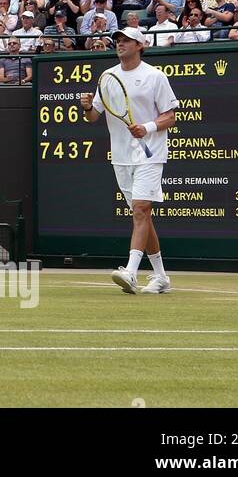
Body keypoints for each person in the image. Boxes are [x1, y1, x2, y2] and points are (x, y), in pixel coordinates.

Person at [79, 27, 179, 295]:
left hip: (150, 152)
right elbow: (94, 117)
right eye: (118, 40)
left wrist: (146, 127)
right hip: (121, 157)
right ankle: (161, 277)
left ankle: (131, 272)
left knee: (140, 210)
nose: (120, 44)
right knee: (143, 216)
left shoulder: (155, 76)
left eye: (127, 40)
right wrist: (87, 106)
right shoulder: (107, 76)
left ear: (140, 45)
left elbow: (170, 117)